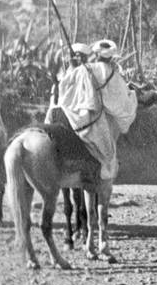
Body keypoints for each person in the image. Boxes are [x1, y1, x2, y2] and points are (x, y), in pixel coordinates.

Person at [57, 39, 138, 181]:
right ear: (111, 57)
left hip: (79, 117)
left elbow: (64, 85)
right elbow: (120, 104)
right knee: (108, 154)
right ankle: (104, 176)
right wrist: (134, 96)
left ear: (96, 54)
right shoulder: (114, 75)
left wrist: (72, 67)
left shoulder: (84, 69)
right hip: (97, 120)